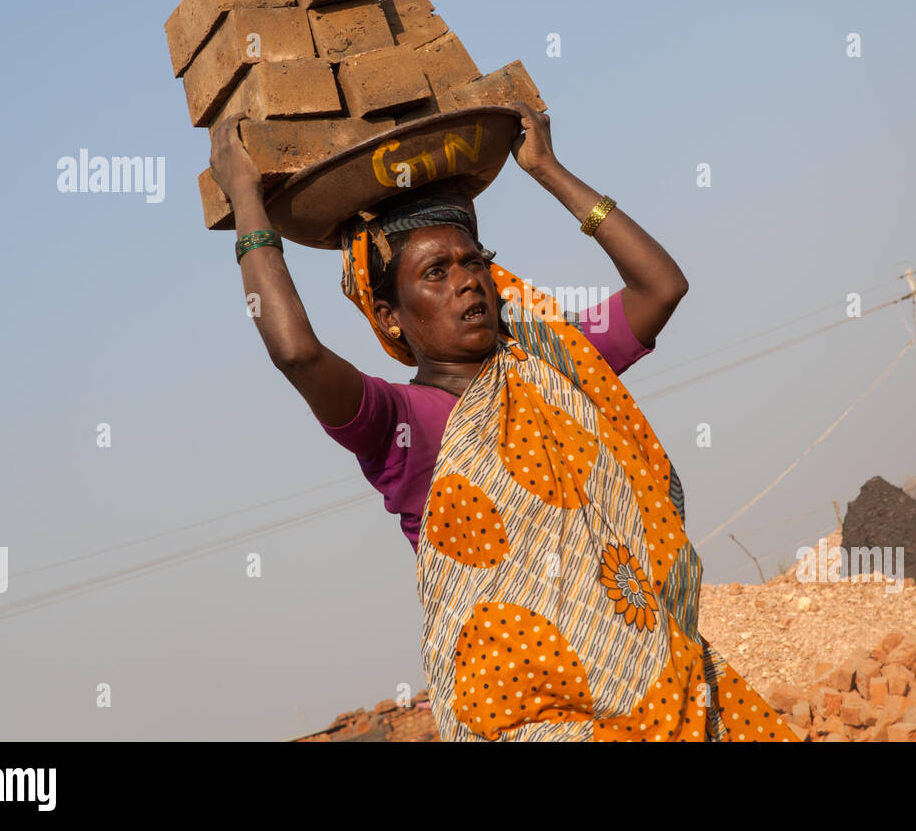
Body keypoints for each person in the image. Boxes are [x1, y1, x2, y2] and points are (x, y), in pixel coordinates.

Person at [209, 102, 799, 742]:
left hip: (652, 680)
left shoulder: (555, 367)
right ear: (388, 317)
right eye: (436, 273)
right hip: (526, 719)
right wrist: (247, 202)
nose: (468, 284)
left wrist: (548, 170)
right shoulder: (399, 425)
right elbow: (297, 353)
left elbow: (661, 288)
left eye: (474, 261)